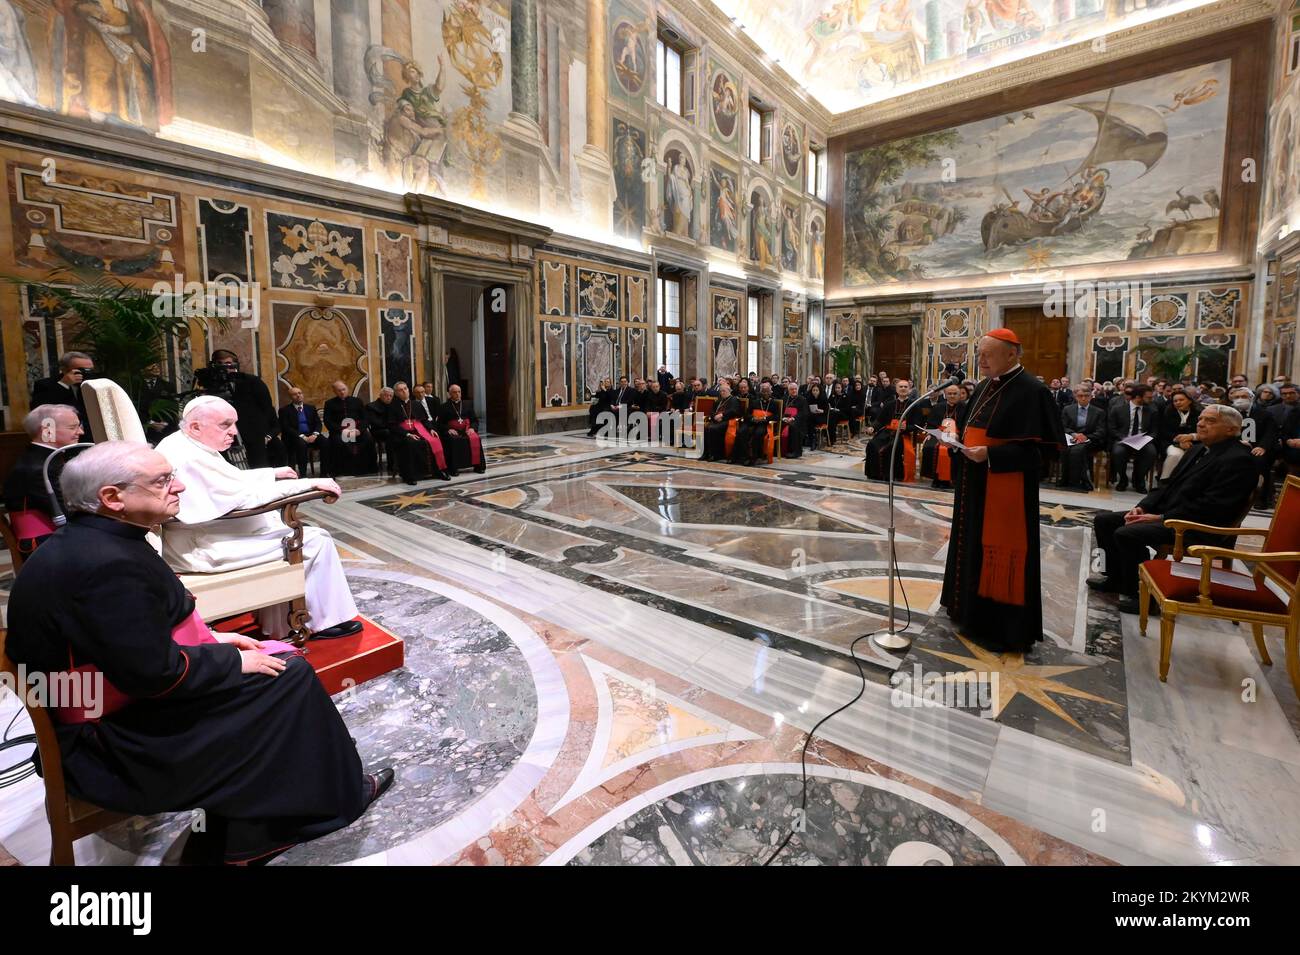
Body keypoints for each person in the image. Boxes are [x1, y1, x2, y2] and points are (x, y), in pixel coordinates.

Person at [3, 440, 392, 865]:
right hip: (107, 748)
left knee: (279, 670)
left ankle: (254, 822)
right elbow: (155, 673)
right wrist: (232, 660)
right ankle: (301, 816)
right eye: (162, 480)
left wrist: (218, 642)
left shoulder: (94, 543)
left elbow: (127, 642)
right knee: (288, 677)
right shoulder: (105, 565)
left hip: (113, 710)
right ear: (112, 498)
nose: (181, 486)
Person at [156, 396, 363, 641]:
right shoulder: (188, 456)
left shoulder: (184, 443)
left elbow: (228, 482)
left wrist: (271, 473)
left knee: (278, 527)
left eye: (234, 423)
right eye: (225, 425)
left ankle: (279, 625)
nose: (234, 431)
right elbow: (243, 497)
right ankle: (318, 623)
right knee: (316, 539)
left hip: (203, 535)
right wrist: (307, 485)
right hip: (203, 547)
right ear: (196, 426)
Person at [940, 329, 1065, 653]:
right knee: (970, 547)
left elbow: (1045, 453)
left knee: (994, 554)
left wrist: (992, 455)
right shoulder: (982, 386)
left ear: (1012, 354)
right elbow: (970, 430)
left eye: (987, 355)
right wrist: (955, 441)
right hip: (973, 485)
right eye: (979, 354)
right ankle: (965, 610)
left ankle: (999, 629)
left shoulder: (1033, 391)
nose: (980, 361)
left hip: (1005, 491)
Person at [1090, 405, 1259, 614]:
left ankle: (1145, 594)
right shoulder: (1199, 448)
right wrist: (1142, 507)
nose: (1201, 423)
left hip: (1197, 525)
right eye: (1201, 419)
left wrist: (1161, 517)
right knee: (1104, 521)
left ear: (1231, 430)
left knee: (1127, 533)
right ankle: (1117, 578)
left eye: (1211, 421)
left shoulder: (1239, 460)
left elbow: (1214, 506)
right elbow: (1167, 484)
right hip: (1172, 514)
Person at [2, 404, 83, 556]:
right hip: (44, 546)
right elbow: (67, 515)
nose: (81, 432)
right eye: (73, 427)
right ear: (47, 430)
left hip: (52, 539)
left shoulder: (42, 459)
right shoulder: (40, 467)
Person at [194, 351, 277, 469]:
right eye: (220, 363)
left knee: (258, 467)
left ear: (235, 365)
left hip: (252, 433)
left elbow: (266, 407)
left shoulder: (252, 381)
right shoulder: (211, 385)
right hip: (221, 433)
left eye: (228, 363)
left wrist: (261, 433)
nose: (224, 367)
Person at [388, 381, 449, 484]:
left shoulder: (416, 404)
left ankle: (438, 471)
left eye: (405, 388)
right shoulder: (392, 406)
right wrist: (407, 434)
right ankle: (410, 476)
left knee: (435, 440)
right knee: (410, 444)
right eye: (400, 390)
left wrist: (431, 429)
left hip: (419, 431)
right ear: (396, 393)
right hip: (402, 434)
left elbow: (424, 420)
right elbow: (392, 425)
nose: (404, 391)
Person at [864, 379, 922, 481]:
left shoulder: (914, 405)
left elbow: (918, 424)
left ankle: (889, 475)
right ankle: (874, 474)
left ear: (909, 389)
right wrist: (873, 427)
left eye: (905, 387)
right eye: (901, 387)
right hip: (887, 432)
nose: (903, 389)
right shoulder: (889, 404)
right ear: (896, 389)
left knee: (890, 447)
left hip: (903, 435)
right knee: (872, 444)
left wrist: (907, 427)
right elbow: (880, 420)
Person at [1233, 386, 1279, 508]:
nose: (1240, 399)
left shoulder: (1265, 414)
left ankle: (1261, 498)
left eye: (1243, 396)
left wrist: (1262, 447)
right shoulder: (1230, 413)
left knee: (1260, 461)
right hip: (1234, 447)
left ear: (1252, 398)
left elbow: (1271, 433)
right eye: (1237, 397)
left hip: (1258, 448)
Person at [1107, 384, 1158, 492]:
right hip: (1123, 439)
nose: (1151, 399)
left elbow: (1154, 431)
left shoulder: (1152, 411)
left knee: (1151, 452)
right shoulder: (1118, 409)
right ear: (1138, 397)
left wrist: (1146, 439)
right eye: (1148, 397)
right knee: (1118, 452)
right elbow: (1111, 428)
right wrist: (1123, 438)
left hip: (1143, 440)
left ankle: (1138, 479)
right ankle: (1123, 479)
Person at [323, 380, 375, 477]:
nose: (342, 392)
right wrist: (342, 431)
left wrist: (359, 430)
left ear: (347, 389)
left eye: (344, 389)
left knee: (368, 439)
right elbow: (328, 421)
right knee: (338, 442)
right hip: (339, 431)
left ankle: (366, 468)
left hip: (357, 430)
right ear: (334, 391)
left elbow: (365, 418)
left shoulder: (357, 401)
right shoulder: (329, 403)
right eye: (339, 390)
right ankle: (344, 470)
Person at [1058, 385, 1106, 491]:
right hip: (1071, 437)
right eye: (1080, 396)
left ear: (1090, 397)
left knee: (1077, 450)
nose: (1083, 398)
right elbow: (1062, 426)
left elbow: (1101, 431)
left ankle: (1078, 480)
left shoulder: (1099, 412)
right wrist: (1074, 434)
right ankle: (1065, 478)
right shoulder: (1068, 409)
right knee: (1065, 449)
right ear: (1075, 396)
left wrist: (1086, 437)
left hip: (1090, 439)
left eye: (1086, 396)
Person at [30, 350, 93, 429]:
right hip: (61, 432)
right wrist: (64, 384)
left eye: (90, 370)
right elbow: (39, 411)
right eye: (81, 370)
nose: (86, 374)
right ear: (64, 370)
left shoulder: (92, 385)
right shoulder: (45, 385)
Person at [921, 383, 966, 489]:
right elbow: (931, 424)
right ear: (945, 395)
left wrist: (957, 434)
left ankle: (951, 479)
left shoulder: (964, 407)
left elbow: (966, 424)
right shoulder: (939, 407)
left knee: (951, 449)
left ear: (959, 395)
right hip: (939, 434)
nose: (952, 396)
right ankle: (936, 478)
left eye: (955, 393)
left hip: (957, 435)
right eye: (949, 393)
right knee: (930, 447)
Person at [437, 384, 486, 475]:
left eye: (459, 392)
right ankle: (454, 468)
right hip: (453, 431)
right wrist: (448, 429)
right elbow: (439, 423)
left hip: (466, 429)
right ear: (449, 394)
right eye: (454, 392)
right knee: (453, 440)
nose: (457, 394)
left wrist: (472, 428)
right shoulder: (443, 407)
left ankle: (478, 466)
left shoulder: (467, 405)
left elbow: (474, 420)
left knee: (475, 438)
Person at [1156, 390, 1201, 482]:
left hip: (1194, 443)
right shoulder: (1167, 412)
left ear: (1189, 401)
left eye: (1181, 400)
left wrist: (1190, 438)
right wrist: (1180, 441)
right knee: (1175, 454)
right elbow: (1164, 432)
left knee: (1195, 456)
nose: (1178, 403)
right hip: (1170, 442)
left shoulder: (1199, 413)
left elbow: (1202, 432)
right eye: (1175, 401)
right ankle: (1164, 481)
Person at [278, 387, 323, 477]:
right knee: (301, 444)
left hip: (311, 435)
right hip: (294, 437)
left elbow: (318, 423)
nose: (298, 395)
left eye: (300, 393)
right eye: (295, 394)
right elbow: (286, 427)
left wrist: (315, 434)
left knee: (326, 442)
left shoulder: (310, 408)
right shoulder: (284, 410)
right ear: (290, 397)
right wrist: (302, 436)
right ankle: (303, 474)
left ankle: (325, 472)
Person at [734, 382, 779, 466]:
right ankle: (744, 456)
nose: (765, 393)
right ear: (760, 392)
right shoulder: (755, 401)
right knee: (741, 431)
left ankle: (755, 457)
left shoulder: (774, 403)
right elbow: (747, 413)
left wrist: (765, 419)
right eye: (763, 391)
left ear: (770, 392)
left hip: (764, 424)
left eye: (767, 391)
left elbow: (777, 416)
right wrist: (752, 418)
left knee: (757, 434)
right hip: (752, 422)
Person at [702, 383, 742, 462]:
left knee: (713, 429)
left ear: (729, 391)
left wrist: (722, 416)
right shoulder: (719, 401)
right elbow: (712, 411)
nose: (722, 393)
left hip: (728, 421)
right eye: (721, 391)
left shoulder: (734, 399)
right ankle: (706, 453)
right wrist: (714, 417)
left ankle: (716, 454)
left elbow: (734, 411)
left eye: (724, 391)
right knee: (706, 428)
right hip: (717, 420)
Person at [366, 387, 397, 476]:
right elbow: (375, 423)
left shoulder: (394, 406)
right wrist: (391, 426)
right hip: (378, 431)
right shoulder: (371, 406)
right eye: (386, 395)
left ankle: (400, 463)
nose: (388, 397)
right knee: (391, 435)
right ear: (380, 395)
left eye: (391, 396)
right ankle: (391, 465)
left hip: (391, 430)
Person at [780, 381, 807, 458]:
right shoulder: (784, 399)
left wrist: (793, 418)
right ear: (788, 390)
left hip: (797, 421)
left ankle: (796, 452)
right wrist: (783, 418)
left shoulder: (802, 399)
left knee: (793, 427)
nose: (794, 391)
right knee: (777, 425)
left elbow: (804, 413)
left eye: (795, 389)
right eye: (792, 389)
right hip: (785, 419)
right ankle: (780, 450)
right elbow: (780, 410)